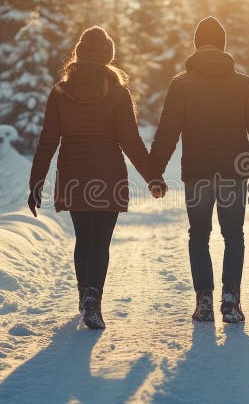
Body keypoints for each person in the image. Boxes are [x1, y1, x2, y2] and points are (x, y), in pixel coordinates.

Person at [28, 26, 166, 330]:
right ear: (108, 57)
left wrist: (36, 182)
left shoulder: (60, 92)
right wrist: (153, 177)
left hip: (73, 174)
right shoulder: (117, 92)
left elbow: (48, 140)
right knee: (100, 241)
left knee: (84, 239)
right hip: (107, 174)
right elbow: (130, 140)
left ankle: (84, 299)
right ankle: (93, 299)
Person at [150, 16, 249, 324]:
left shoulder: (180, 85)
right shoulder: (243, 84)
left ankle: (204, 301)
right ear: (223, 46)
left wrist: (155, 173)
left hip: (197, 174)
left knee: (199, 235)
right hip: (232, 174)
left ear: (196, 45)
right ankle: (230, 300)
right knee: (233, 235)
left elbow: (167, 132)